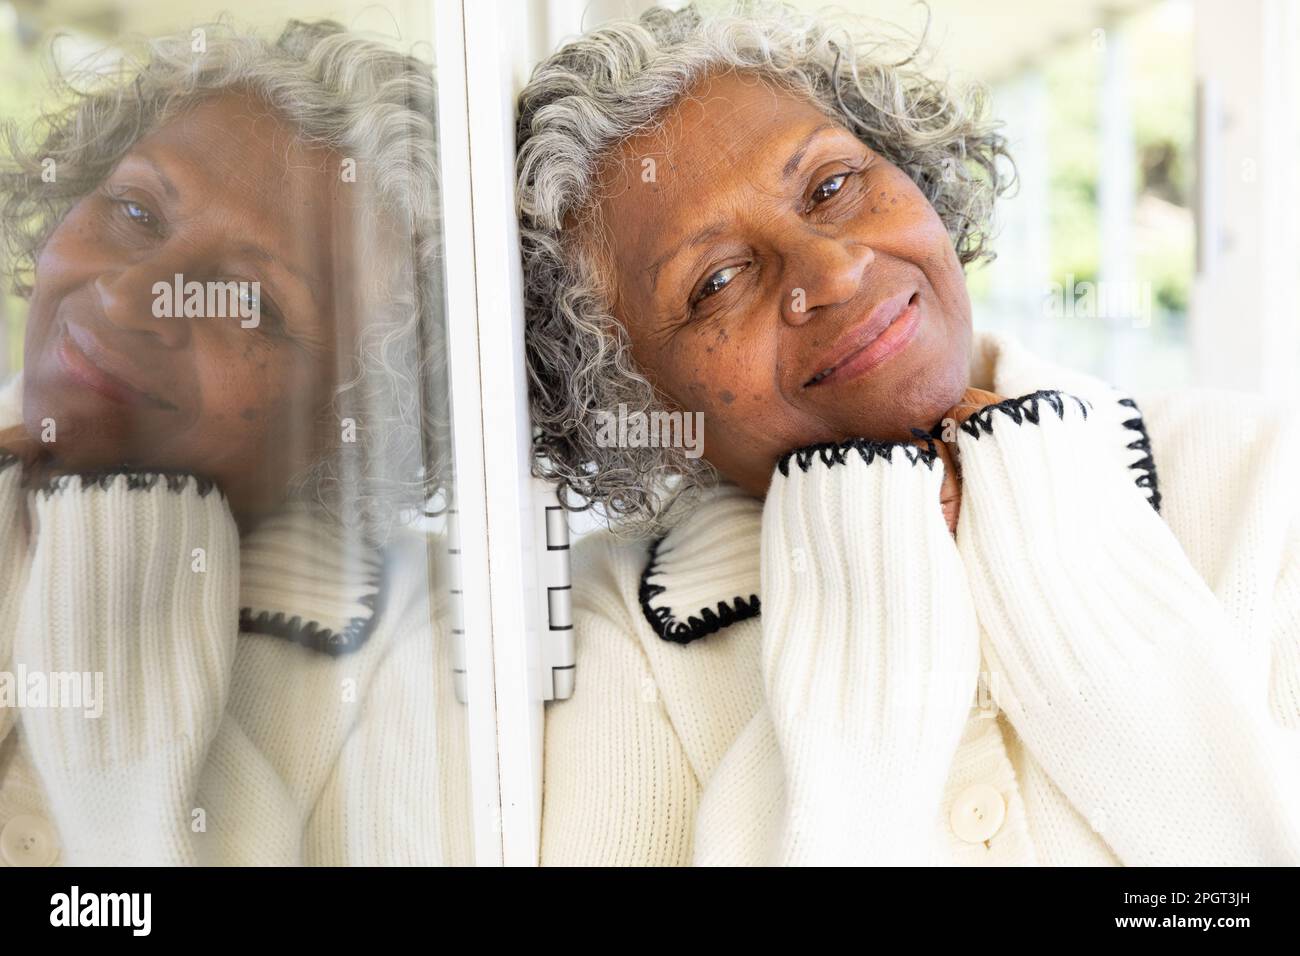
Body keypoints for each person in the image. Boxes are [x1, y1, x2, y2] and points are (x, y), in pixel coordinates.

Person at [516, 0, 1300, 865]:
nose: (835, 268)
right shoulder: (610, 633)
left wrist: (1068, 581)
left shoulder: (1262, 478)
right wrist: (869, 635)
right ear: (631, 398)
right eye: (718, 281)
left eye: (831, 185)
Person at [0, 19, 468, 865]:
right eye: (136, 210)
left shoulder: (423, 687)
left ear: (356, 422)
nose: (129, 296)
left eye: (251, 304)